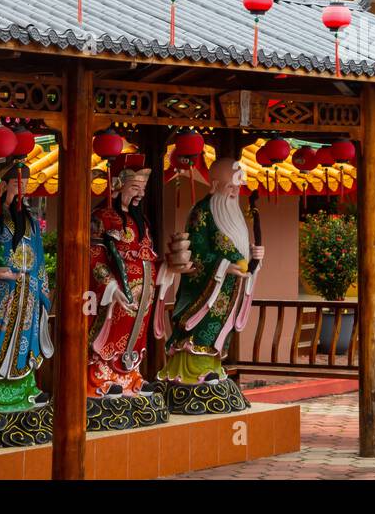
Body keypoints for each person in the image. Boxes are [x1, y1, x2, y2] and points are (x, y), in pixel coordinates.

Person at [157, 157, 264, 385]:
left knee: (219, 331)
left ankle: (212, 368)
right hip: (205, 288)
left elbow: (240, 251)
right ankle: (190, 374)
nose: (235, 192)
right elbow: (196, 251)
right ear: (215, 186)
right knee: (200, 329)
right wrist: (224, 266)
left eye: (238, 187)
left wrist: (255, 259)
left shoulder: (235, 214)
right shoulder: (202, 212)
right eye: (230, 187)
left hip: (229, 289)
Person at [0, 168, 53, 412]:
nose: (23, 189)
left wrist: (41, 295)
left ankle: (25, 388)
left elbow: (38, 263)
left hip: (27, 290)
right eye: (18, 184)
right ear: (4, 185)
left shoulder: (32, 223)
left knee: (25, 338)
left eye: (26, 184)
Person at [87, 165, 158, 396]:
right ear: (118, 185)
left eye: (143, 189)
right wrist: (110, 286)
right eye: (134, 188)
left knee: (135, 333)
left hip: (143, 292)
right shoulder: (102, 217)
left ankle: (131, 376)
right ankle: (101, 377)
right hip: (115, 293)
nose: (140, 194)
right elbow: (94, 255)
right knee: (110, 333)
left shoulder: (142, 221)